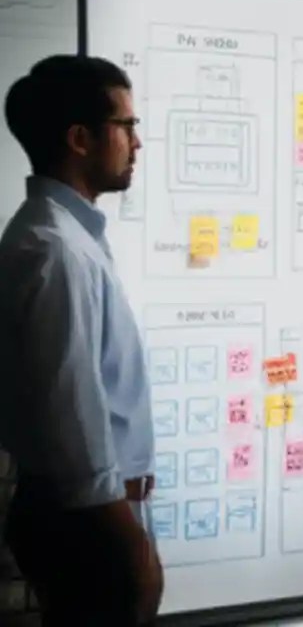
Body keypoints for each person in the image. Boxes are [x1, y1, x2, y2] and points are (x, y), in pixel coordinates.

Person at [0, 55, 161, 625]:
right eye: (127, 126)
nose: (137, 143)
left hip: (89, 515)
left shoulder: (68, 235)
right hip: (87, 522)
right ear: (80, 139)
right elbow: (73, 421)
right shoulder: (56, 249)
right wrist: (130, 544)